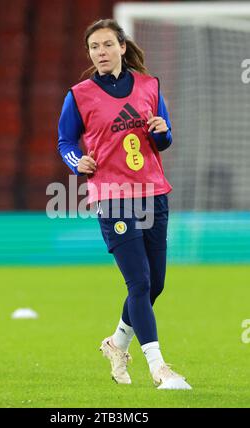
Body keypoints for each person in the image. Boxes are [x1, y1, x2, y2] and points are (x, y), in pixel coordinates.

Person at [58, 19, 192, 390]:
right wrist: (76, 162)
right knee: (140, 281)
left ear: (121, 46)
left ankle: (117, 344)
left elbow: (162, 139)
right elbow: (65, 142)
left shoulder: (150, 86)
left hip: (152, 192)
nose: (99, 53)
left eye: (105, 45)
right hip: (112, 196)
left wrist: (163, 132)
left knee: (156, 284)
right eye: (93, 48)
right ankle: (158, 367)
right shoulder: (79, 94)